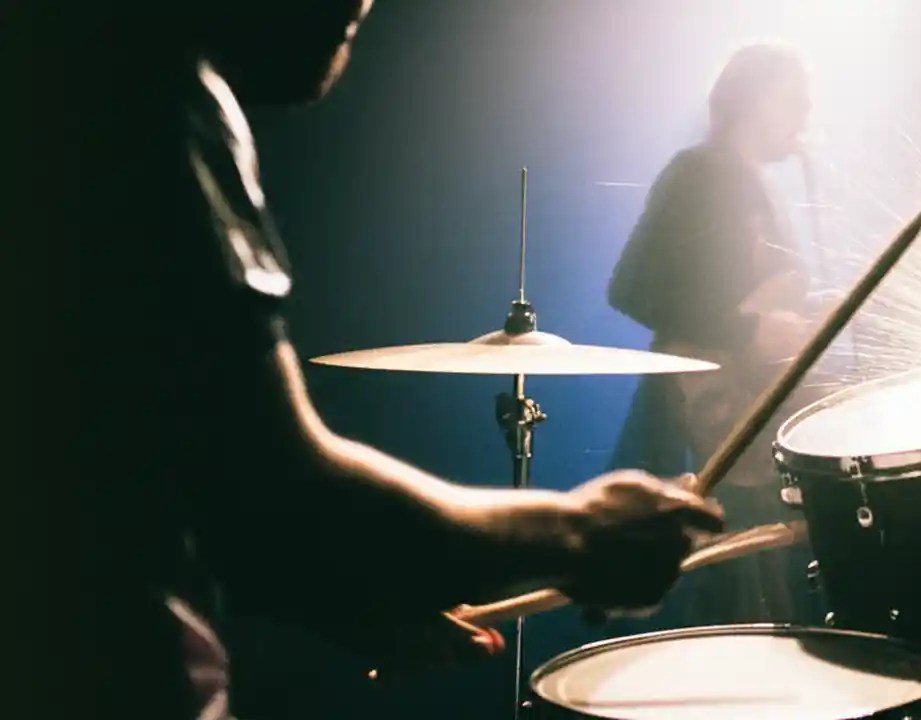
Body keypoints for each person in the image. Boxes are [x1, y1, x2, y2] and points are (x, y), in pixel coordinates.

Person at [11, 3, 722, 718]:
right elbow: (277, 484)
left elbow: (167, 482)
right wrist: (572, 531)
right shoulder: (137, 91)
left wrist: (348, 599)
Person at [608, 44, 819, 625]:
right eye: (794, 96)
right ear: (755, 99)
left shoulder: (752, 185)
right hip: (703, 426)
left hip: (747, 427)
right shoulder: (698, 171)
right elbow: (630, 287)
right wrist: (750, 329)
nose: (806, 111)